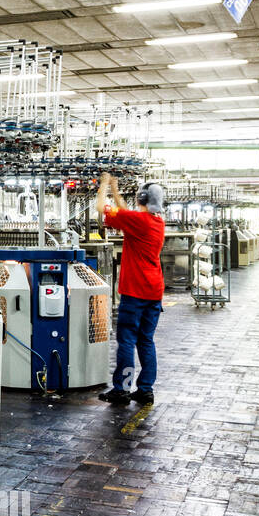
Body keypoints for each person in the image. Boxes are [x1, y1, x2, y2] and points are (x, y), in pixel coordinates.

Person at [96, 173, 165, 406]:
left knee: (126, 340)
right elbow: (126, 213)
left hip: (135, 291)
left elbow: (100, 207)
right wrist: (116, 189)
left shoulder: (139, 221)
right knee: (146, 341)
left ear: (142, 198)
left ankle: (122, 390)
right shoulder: (156, 221)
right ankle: (145, 389)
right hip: (154, 291)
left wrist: (104, 184)